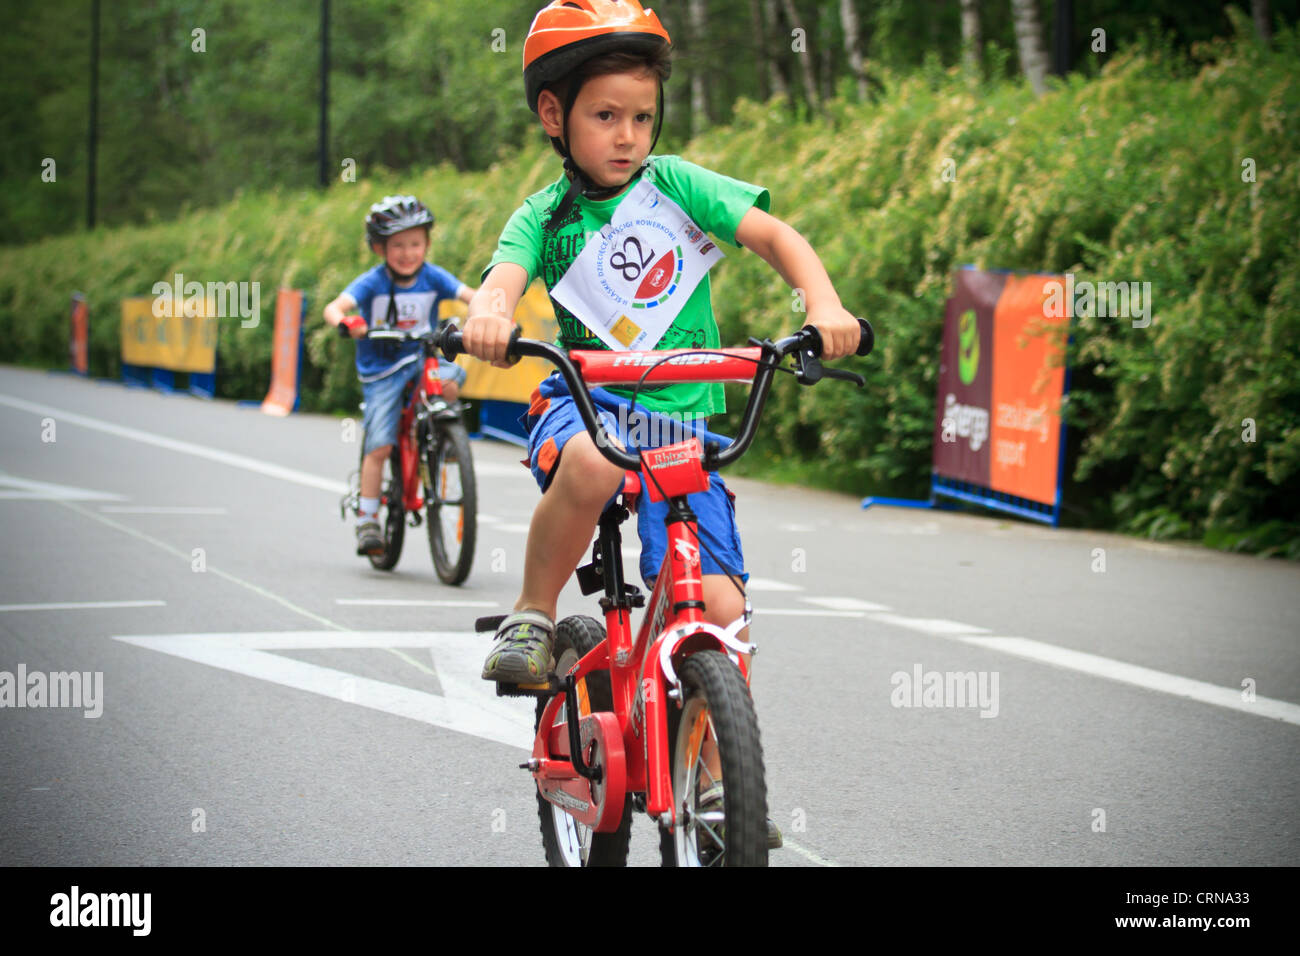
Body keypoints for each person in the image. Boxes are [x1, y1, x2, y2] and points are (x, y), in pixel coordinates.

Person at [461, 0, 859, 846]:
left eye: (642, 117)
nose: (628, 136)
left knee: (720, 605)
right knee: (597, 465)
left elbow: (775, 235)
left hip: (683, 433)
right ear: (553, 115)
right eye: (606, 116)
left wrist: (821, 303)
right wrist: (492, 315)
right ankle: (534, 612)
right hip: (588, 400)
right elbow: (503, 279)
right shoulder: (543, 215)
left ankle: (717, 786)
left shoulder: (675, 186)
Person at [324, 195, 477, 556]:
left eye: (415, 244)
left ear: (426, 244)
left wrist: (491, 310)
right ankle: (368, 518)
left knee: (451, 381)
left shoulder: (432, 275)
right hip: (382, 372)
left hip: (421, 358)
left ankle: (442, 440)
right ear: (380, 248)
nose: (408, 253)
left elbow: (470, 294)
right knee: (379, 445)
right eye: (397, 246)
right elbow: (335, 307)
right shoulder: (372, 283)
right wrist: (348, 322)